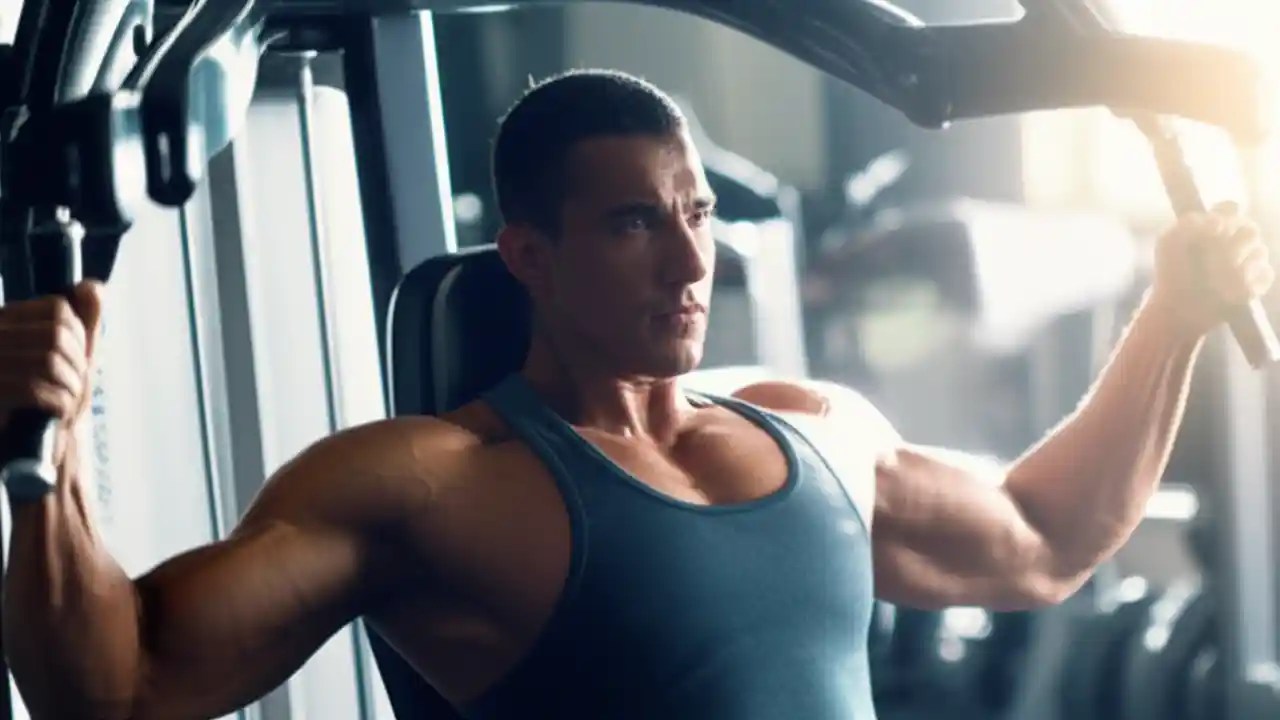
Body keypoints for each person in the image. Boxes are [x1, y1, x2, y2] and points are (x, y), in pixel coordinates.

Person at [0, 69, 1272, 720]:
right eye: (629, 225)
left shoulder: (815, 432)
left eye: (696, 212)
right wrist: (42, 453)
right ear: (529, 256)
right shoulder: (430, 484)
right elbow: (121, 690)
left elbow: (1042, 540)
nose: (686, 259)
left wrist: (1172, 312)